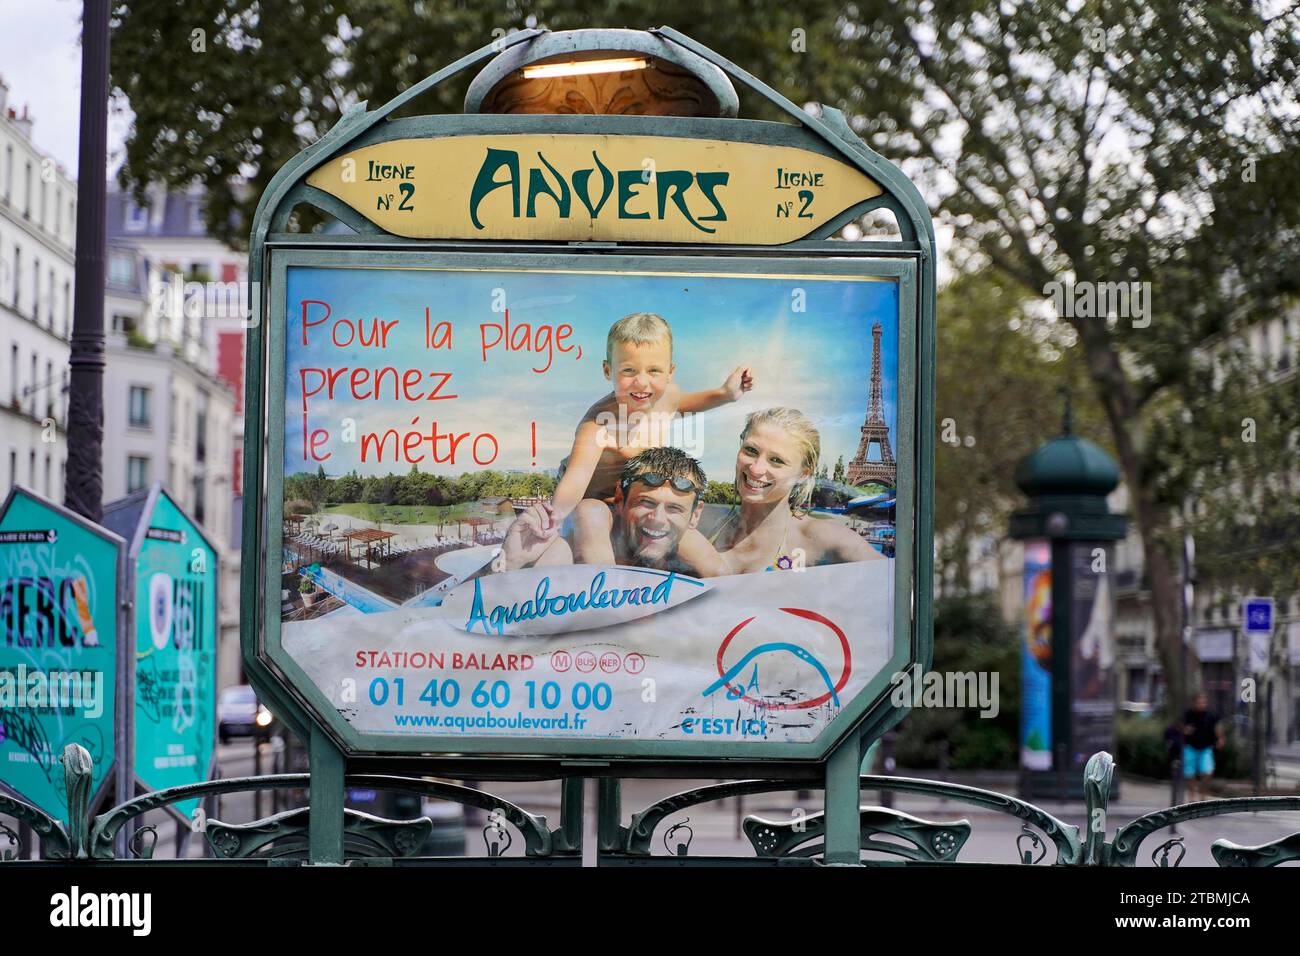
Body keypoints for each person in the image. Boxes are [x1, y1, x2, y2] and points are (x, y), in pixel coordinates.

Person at [540, 312, 752, 562]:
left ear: (670, 372)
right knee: (591, 515)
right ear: (608, 370)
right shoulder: (598, 424)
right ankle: (603, 589)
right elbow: (576, 479)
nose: (642, 382)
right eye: (629, 370)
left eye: (654, 371)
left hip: (639, 501)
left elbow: (682, 405)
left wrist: (725, 394)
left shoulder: (667, 396)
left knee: (689, 538)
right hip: (597, 502)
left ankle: (722, 584)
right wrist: (552, 519)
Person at [687, 407, 882, 574]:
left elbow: (895, 583)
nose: (756, 468)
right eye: (751, 451)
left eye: (776, 460)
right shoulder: (702, 523)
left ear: (803, 474)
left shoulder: (824, 538)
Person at [501, 446, 707, 572]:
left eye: (675, 508)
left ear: (695, 515)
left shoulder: (696, 561)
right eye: (646, 503)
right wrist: (509, 561)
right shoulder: (566, 552)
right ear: (619, 500)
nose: (658, 519)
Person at [1181, 692, 1224, 801]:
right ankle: (1192, 793)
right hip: (1190, 747)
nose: (1201, 704)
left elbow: (1217, 728)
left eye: (1203, 702)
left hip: (1205, 748)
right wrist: (1185, 731)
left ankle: (1203, 793)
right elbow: (1182, 728)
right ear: (1194, 703)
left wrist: (1220, 739)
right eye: (1199, 702)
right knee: (1189, 772)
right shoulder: (1188, 715)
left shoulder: (1210, 715)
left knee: (1208, 771)